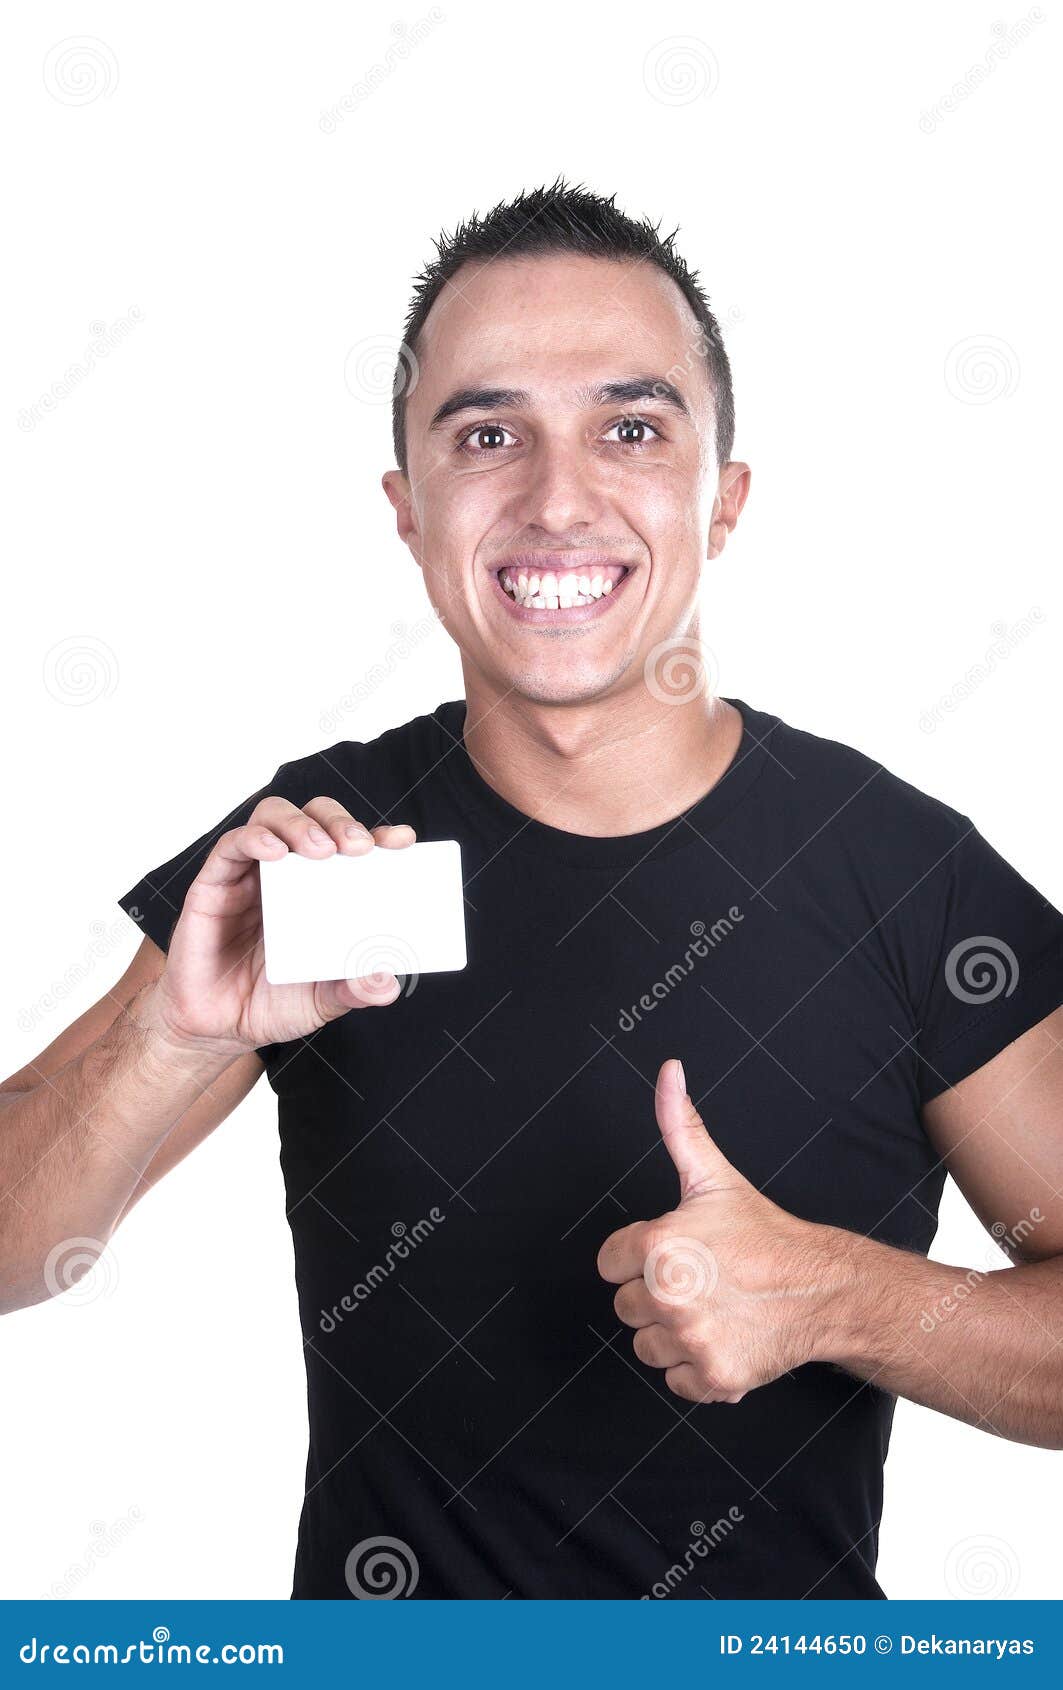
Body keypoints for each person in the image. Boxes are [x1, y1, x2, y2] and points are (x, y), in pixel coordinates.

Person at [3, 182, 1062, 1602]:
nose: (558, 499)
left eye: (632, 428)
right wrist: (176, 1036)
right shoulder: (318, 857)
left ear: (724, 498)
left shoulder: (902, 873)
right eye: (487, 434)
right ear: (408, 508)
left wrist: (843, 1294)